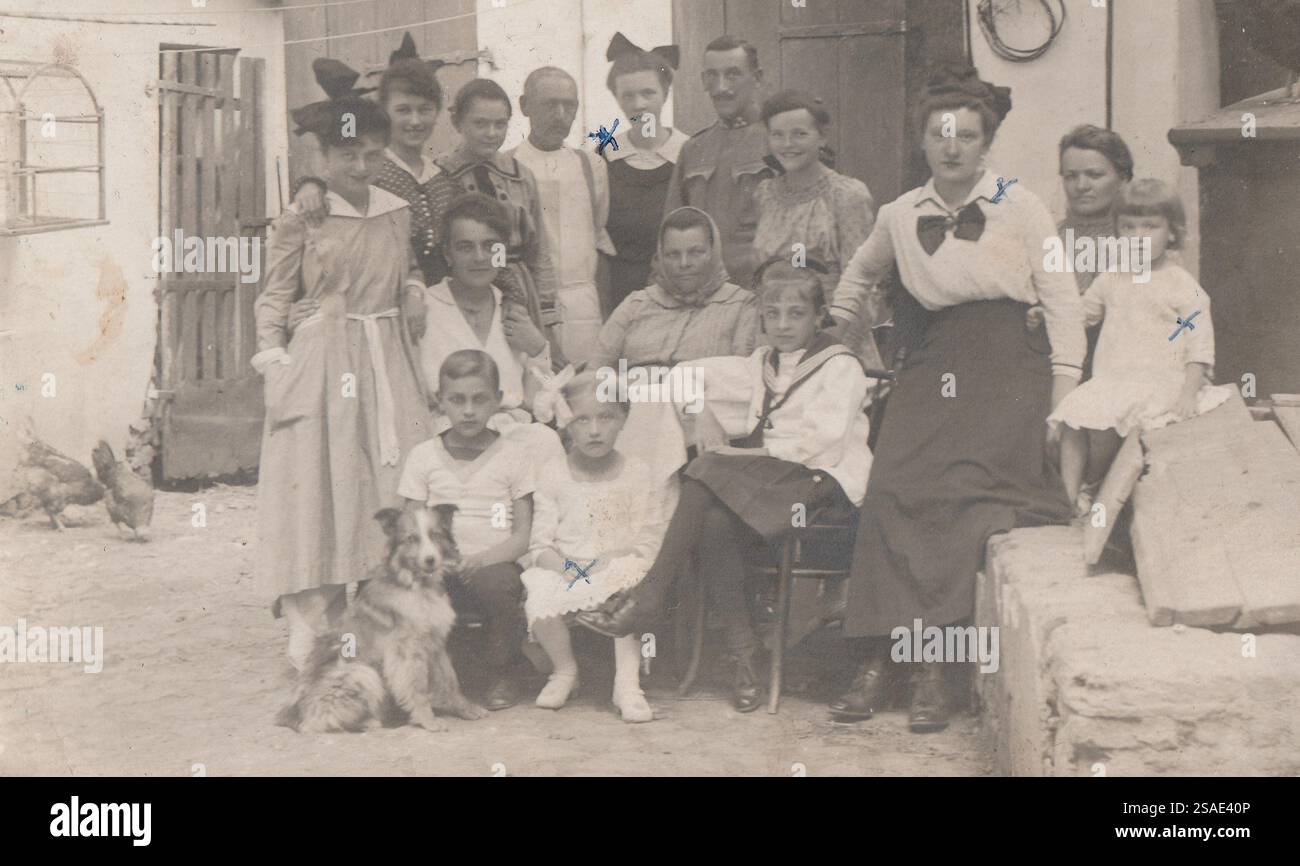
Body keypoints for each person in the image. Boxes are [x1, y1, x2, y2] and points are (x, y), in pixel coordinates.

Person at [828, 64, 1086, 733]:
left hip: (1009, 367)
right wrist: (839, 338)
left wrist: (1063, 395)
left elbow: (1060, 300)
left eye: (966, 136)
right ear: (923, 141)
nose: (952, 148)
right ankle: (880, 658)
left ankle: (933, 665)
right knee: (891, 486)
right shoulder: (899, 214)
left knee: (963, 495)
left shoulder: (1021, 206)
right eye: (940, 136)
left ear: (984, 140)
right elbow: (858, 274)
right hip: (935, 360)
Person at [577, 260, 875, 712]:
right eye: (772, 314)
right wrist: (701, 417)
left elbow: (822, 446)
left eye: (796, 314)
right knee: (713, 520)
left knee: (704, 472)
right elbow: (680, 376)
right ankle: (744, 655)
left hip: (825, 490)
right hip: (772, 490)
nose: (783, 325)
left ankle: (649, 596)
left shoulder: (840, 366)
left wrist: (737, 455)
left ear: (819, 317)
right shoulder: (761, 365)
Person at [253, 59, 433, 670]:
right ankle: (311, 622)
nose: (359, 167)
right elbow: (274, 296)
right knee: (321, 489)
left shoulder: (395, 209)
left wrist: (410, 292)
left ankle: (383, 618)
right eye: (346, 155)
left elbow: (407, 269)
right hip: (323, 360)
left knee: (389, 482)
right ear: (324, 157)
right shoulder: (301, 215)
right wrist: (275, 360)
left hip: (387, 356)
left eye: (370, 154)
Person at [1049, 179, 1232, 511]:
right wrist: (1046, 313)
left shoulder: (1180, 284)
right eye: (1128, 227)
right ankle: (1065, 497)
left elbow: (1199, 346)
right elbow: (1081, 314)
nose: (1137, 236)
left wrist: (1188, 393)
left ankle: (1097, 484)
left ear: (1172, 232)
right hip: (1113, 379)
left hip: (1159, 382)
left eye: (1150, 226)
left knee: (1104, 425)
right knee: (1074, 419)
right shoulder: (1112, 277)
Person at [397, 350, 564, 710]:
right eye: (457, 400)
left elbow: (522, 534)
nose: (468, 410)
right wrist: (437, 560)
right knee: (398, 589)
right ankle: (429, 674)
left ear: (498, 401)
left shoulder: (514, 456)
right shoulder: (423, 456)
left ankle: (502, 671)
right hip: (436, 566)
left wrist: (482, 558)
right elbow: (411, 527)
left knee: (498, 584)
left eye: (479, 399)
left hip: (492, 563)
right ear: (440, 402)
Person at [521, 371, 671, 723]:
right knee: (539, 589)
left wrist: (614, 560)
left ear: (623, 420)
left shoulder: (636, 471)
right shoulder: (553, 472)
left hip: (617, 563)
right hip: (567, 566)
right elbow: (539, 542)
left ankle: (627, 684)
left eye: (606, 418)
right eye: (581, 420)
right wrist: (567, 569)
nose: (594, 430)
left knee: (627, 586)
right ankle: (564, 670)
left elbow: (648, 537)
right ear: (566, 425)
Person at [585, 206, 758, 486]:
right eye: (673, 254)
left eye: (696, 252)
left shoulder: (741, 306)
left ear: (714, 252)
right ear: (660, 256)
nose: (684, 263)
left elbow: (743, 380)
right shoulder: (636, 304)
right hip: (629, 424)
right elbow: (595, 374)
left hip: (700, 434)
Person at [291, 32, 460, 288]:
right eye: (403, 110)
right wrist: (309, 185)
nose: (415, 121)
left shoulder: (444, 178)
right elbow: (330, 191)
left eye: (424, 110)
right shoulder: (370, 169)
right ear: (384, 111)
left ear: (437, 112)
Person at [753, 89, 883, 369]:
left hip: (834, 344)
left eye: (799, 134)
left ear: (821, 137)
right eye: (778, 135)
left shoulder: (847, 196)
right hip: (779, 339)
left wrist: (824, 349)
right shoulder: (764, 194)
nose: (787, 144)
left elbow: (863, 286)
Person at [439, 78, 565, 361]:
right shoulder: (441, 176)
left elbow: (539, 250)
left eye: (500, 124)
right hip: (467, 290)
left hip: (520, 294)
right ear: (458, 123)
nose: (491, 133)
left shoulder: (521, 176)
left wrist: (546, 311)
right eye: (480, 124)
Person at [420, 194, 554, 420]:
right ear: (447, 254)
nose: (480, 257)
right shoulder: (425, 308)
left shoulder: (513, 312)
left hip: (511, 439)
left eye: (490, 246)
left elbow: (540, 410)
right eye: (465, 247)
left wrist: (538, 351)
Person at [511, 67, 612, 366]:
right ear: (525, 106)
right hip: (530, 303)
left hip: (583, 305)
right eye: (549, 104)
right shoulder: (509, 164)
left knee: (584, 388)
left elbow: (598, 236)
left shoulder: (590, 165)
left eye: (569, 105)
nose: (560, 114)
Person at [664, 35, 774, 290]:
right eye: (712, 75)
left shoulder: (780, 142)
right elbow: (669, 232)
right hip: (702, 297)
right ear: (703, 81)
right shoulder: (693, 149)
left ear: (757, 77)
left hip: (760, 293)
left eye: (733, 74)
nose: (721, 87)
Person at [601, 32, 689, 311]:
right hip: (619, 292)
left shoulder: (688, 153)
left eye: (648, 93)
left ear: (665, 93)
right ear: (616, 98)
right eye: (628, 95)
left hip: (679, 288)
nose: (638, 105)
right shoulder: (603, 155)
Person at [1057, 124, 1134, 292]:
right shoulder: (1047, 238)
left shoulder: (1141, 242)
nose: (1081, 186)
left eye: (1094, 175)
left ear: (1123, 179)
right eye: (1071, 176)